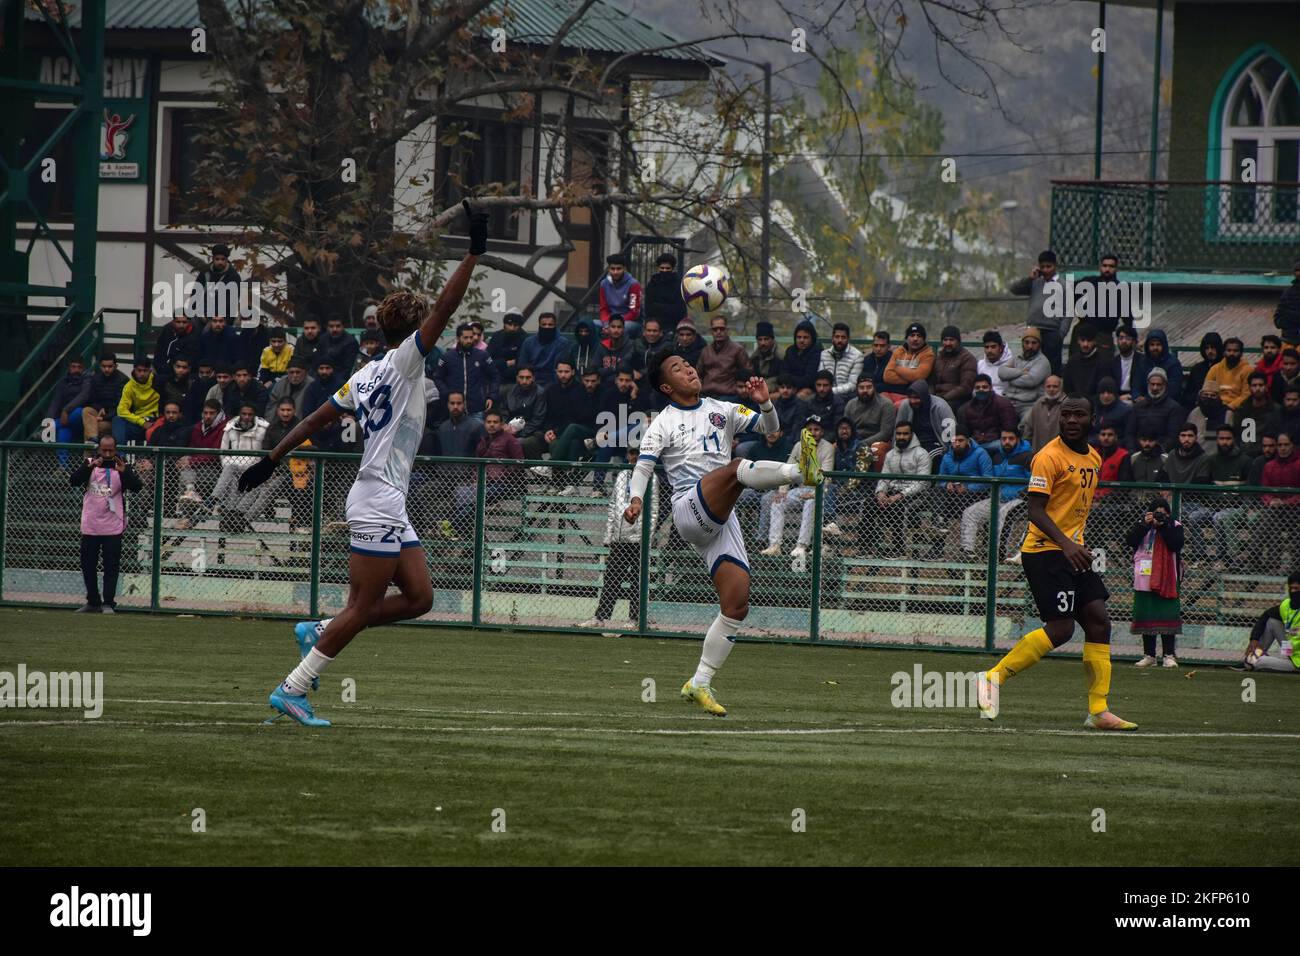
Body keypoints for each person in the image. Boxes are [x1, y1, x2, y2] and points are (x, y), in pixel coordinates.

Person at [236, 200, 486, 726]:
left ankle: (321, 627)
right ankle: (293, 687)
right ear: (412, 332)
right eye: (424, 326)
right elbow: (444, 307)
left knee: (419, 597)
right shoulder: (404, 360)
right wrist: (473, 253)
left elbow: (314, 421)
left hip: (385, 496)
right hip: (376, 495)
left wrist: (271, 458)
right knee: (362, 607)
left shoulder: (367, 371)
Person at [623, 348, 821, 716]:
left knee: (737, 604)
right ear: (667, 386)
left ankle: (698, 682)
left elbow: (770, 428)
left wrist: (765, 404)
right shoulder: (662, 423)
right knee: (734, 468)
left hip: (721, 516)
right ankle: (799, 473)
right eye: (678, 369)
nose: (689, 370)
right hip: (688, 508)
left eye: (688, 364)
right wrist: (636, 500)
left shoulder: (722, 408)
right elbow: (643, 468)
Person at [978, 393, 1137, 731]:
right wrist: (1065, 543)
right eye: (1066, 415)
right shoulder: (1047, 457)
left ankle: (1098, 711)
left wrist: (1074, 542)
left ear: (1093, 420)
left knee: (1099, 622)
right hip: (1045, 552)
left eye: (1079, 414)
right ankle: (993, 677)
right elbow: (1035, 510)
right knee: (1062, 629)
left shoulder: (1094, 458)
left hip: (1073, 550)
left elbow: (1074, 509)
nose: (1071, 420)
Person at [580, 439, 657, 635]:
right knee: (612, 578)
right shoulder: (622, 475)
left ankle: (636, 618)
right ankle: (600, 617)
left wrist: (647, 538)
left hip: (639, 539)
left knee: (637, 580)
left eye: (637, 453)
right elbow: (613, 507)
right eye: (631, 453)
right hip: (620, 538)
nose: (634, 457)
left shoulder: (652, 478)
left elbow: (654, 510)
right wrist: (609, 536)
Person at [70, 436, 143, 613]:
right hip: (91, 524)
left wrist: (125, 472)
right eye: (104, 450)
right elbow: (74, 481)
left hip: (113, 524)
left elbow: (137, 487)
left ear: (116, 449)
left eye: (111, 450)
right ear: (99, 449)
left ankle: (108, 602)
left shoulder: (122, 464)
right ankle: (93, 601)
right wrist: (89, 468)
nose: (108, 454)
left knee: (111, 565)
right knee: (88, 564)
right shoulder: (89, 463)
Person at [759, 416, 834, 558]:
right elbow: (787, 470)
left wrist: (815, 493)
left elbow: (826, 476)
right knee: (777, 502)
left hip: (818, 491)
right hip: (800, 489)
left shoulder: (828, 447)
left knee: (811, 503)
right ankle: (774, 545)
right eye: (809, 429)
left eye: (816, 429)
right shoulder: (799, 446)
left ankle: (801, 546)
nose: (813, 432)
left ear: (822, 432)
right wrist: (782, 491)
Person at [1127, 498, 1184, 668]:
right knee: (1147, 614)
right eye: (1156, 512)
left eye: (1163, 512)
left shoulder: (1174, 525)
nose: (1159, 515)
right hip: (1143, 577)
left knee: (1167, 613)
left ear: (1168, 513)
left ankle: (1168, 655)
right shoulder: (1143, 525)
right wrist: (1144, 525)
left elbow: (1176, 545)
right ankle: (1149, 655)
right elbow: (1130, 541)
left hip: (1167, 577)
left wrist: (1164, 525)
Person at [960, 428, 1031, 558]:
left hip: (1020, 500)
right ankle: (967, 552)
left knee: (1003, 514)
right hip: (999, 498)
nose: (1007, 442)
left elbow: (1034, 481)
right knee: (970, 513)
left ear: (1018, 440)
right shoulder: (998, 456)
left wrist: (1023, 493)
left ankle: (998, 555)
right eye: (1004, 439)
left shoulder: (1027, 457)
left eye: (1011, 438)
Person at [1008, 250, 1068, 375]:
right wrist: (1030, 278)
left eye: (1049, 266)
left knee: (1051, 367)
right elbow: (1014, 289)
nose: (1046, 270)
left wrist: (1061, 333)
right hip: (1033, 330)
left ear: (1055, 266)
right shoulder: (1035, 282)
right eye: (1043, 267)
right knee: (1030, 364)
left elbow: (1068, 312)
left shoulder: (1063, 285)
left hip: (1052, 331)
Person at [433, 321, 499, 418]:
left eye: (471, 337)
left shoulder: (482, 356)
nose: (469, 341)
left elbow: (495, 376)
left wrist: (491, 396)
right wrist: (447, 394)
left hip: (477, 408)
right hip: (454, 409)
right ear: (458, 338)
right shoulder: (447, 357)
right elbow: (438, 377)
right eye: (465, 338)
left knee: (477, 432)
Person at [1237, 572, 1300, 672]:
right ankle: (1254, 655)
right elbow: (1266, 614)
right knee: (1272, 622)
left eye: (1296, 589)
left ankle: (1252, 661)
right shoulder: (1286, 605)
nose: (1293, 591)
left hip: (1297, 663)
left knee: (1260, 662)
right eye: (1290, 588)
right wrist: (1254, 639)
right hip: (1291, 651)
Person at [1125, 367, 1184, 452]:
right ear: (1148, 385)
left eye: (1158, 384)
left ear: (1165, 385)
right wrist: (1132, 452)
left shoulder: (1174, 408)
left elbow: (1173, 437)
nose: (1155, 388)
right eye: (1152, 384)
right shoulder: (1138, 407)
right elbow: (1130, 434)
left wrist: (1157, 451)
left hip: (1161, 455)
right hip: (1138, 453)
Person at [960, 372, 1018, 456]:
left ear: (991, 388)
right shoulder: (967, 407)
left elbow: (1009, 427)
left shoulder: (1003, 404)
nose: (981, 390)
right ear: (974, 389)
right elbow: (966, 431)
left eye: (984, 387)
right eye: (977, 387)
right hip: (976, 443)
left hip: (996, 442)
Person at [998, 328, 1051, 417]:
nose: (1030, 346)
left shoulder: (1043, 362)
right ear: (1022, 343)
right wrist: (1020, 372)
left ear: (1039, 344)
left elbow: (1030, 381)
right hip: (1008, 402)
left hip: (1029, 405)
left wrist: (1009, 377)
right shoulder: (1016, 358)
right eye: (1026, 342)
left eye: (1034, 343)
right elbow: (1001, 372)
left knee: (1027, 423)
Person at [697, 314, 750, 401]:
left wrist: (740, 387)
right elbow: (699, 373)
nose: (718, 332)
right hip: (706, 395)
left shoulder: (737, 350)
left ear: (727, 330)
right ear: (711, 332)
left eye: (722, 329)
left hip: (729, 396)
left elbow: (748, 371)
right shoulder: (705, 351)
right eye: (715, 329)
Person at [47, 356, 88, 464]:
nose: (76, 370)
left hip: (82, 420)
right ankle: (63, 468)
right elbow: (55, 401)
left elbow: (83, 397)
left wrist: (66, 410)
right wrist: (49, 419)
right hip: (66, 422)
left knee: (79, 411)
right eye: (73, 367)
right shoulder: (63, 382)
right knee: (62, 432)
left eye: (79, 367)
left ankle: (53, 426)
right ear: (69, 368)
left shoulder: (88, 379)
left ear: (83, 368)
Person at [518, 312, 571, 388]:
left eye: (550, 325)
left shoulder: (562, 343)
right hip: (531, 382)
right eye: (544, 324)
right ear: (539, 325)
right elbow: (522, 365)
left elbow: (560, 368)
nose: (547, 327)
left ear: (555, 325)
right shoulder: (528, 342)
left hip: (553, 383)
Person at [882, 323, 935, 398]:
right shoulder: (898, 351)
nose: (915, 339)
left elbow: (919, 377)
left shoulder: (928, 354)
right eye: (912, 335)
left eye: (919, 336)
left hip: (914, 396)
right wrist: (910, 379)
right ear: (907, 338)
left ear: (924, 339)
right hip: (892, 392)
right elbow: (887, 376)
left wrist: (897, 368)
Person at [844, 373, 897, 448]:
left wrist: (861, 444)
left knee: (879, 449)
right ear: (857, 389)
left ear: (874, 388)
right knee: (835, 447)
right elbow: (845, 428)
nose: (865, 390)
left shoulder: (886, 404)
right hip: (854, 440)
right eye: (861, 387)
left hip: (876, 442)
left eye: (869, 387)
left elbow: (886, 433)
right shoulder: (850, 404)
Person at [114, 359, 159, 446]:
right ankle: (120, 456)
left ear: (150, 370)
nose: (142, 374)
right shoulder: (129, 386)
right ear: (134, 370)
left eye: (145, 370)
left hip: (155, 420)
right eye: (139, 370)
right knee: (117, 420)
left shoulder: (157, 382)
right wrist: (142, 422)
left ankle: (149, 458)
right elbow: (121, 410)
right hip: (138, 420)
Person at [930, 325, 976, 408]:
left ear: (958, 341)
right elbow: (931, 382)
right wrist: (931, 397)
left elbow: (966, 386)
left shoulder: (967, 358)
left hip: (957, 399)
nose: (948, 343)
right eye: (945, 340)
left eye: (951, 340)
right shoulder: (939, 358)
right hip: (937, 398)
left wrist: (944, 398)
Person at [820, 322, 865, 402]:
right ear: (832, 338)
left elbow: (852, 385)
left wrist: (831, 391)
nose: (839, 340)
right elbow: (820, 377)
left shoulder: (857, 356)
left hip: (847, 396)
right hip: (824, 392)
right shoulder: (824, 354)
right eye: (837, 337)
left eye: (843, 337)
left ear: (848, 339)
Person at [598, 253, 642, 336]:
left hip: (629, 322)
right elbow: (603, 308)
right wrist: (607, 324)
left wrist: (615, 325)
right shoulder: (604, 284)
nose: (615, 272)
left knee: (624, 328)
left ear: (624, 269)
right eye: (612, 269)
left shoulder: (633, 285)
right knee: (593, 325)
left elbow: (633, 312)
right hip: (609, 321)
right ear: (608, 269)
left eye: (619, 269)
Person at [643, 252, 686, 334]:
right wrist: (668, 307)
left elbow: (679, 311)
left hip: (673, 325)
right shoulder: (652, 283)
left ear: (672, 268)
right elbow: (648, 309)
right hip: (653, 324)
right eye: (662, 268)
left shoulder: (678, 285)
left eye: (667, 268)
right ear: (658, 268)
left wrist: (657, 306)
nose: (664, 270)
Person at [1204, 337, 1251, 410]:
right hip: (1215, 406)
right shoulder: (1215, 369)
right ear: (1224, 352)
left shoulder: (1248, 370)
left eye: (1235, 351)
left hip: (1236, 409)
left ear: (1241, 353)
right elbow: (1206, 390)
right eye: (1229, 350)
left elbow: (1246, 395)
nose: (1232, 353)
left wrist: (1230, 407)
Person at [1023, 374, 1065, 453]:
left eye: (1055, 386)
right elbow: (1029, 427)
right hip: (1038, 452)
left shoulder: (1066, 404)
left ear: (1061, 388)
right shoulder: (1038, 404)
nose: (1051, 389)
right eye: (1048, 386)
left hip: (1059, 453)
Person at [1062, 324, 1106, 398]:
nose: (1085, 344)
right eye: (1082, 340)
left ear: (1095, 341)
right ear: (1078, 341)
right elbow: (1067, 386)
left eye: (1089, 341)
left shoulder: (1102, 361)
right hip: (1074, 402)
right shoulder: (1073, 360)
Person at [1108, 325, 1148, 402]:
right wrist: (1117, 398)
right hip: (1117, 399)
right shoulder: (1112, 363)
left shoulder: (1143, 360)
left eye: (1128, 338)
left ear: (1134, 342)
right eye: (1121, 338)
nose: (1124, 341)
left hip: (1137, 398)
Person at [1181, 333, 1223, 407]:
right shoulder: (1197, 369)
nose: (1210, 351)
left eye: (1213, 348)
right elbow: (1187, 395)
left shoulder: (1225, 368)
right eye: (1207, 348)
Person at [782, 320, 822, 395]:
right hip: (788, 386)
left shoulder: (817, 352)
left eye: (806, 337)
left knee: (801, 396)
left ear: (812, 338)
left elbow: (809, 378)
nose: (801, 340)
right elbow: (783, 372)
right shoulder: (790, 350)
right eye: (799, 337)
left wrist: (790, 379)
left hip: (808, 388)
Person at [486, 310, 526, 377]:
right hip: (496, 377)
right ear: (504, 324)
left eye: (515, 325)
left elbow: (522, 362)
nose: (512, 328)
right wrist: (507, 363)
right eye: (509, 324)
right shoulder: (496, 336)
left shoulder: (525, 339)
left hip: (516, 379)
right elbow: (487, 360)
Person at [1272, 256, 1300, 346]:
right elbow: (1278, 319)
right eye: (1297, 270)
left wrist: (1290, 315)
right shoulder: (1288, 293)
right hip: (1289, 341)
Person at [977, 331, 1012, 396]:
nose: (989, 350)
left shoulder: (1011, 364)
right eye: (987, 347)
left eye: (993, 347)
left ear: (1001, 348)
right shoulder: (980, 365)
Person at [749, 320, 784, 386]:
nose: (763, 343)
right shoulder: (754, 357)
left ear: (772, 339)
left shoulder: (781, 356)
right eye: (760, 339)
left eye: (766, 339)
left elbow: (783, 378)